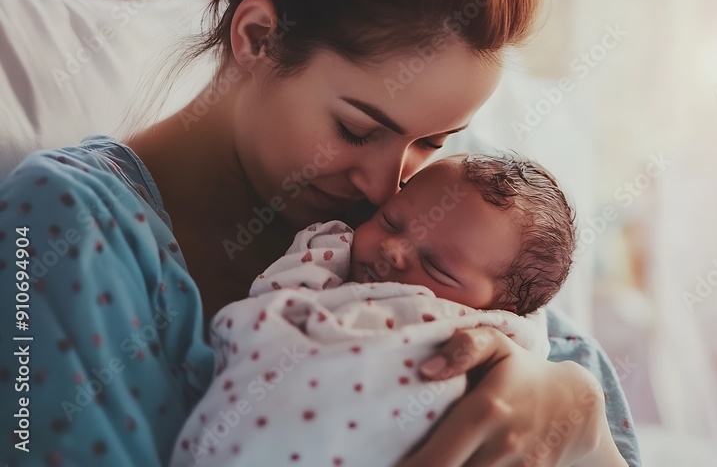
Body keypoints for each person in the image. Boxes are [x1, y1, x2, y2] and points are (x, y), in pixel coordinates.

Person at [0, 0, 640, 465]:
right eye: (358, 129)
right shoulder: (61, 228)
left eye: (434, 142)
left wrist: (584, 425)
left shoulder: (431, 238)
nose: (387, 185)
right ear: (257, 37)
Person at [170, 153, 590, 466]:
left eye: (437, 266)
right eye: (390, 221)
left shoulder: (510, 343)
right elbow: (271, 306)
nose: (394, 250)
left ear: (505, 307)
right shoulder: (329, 256)